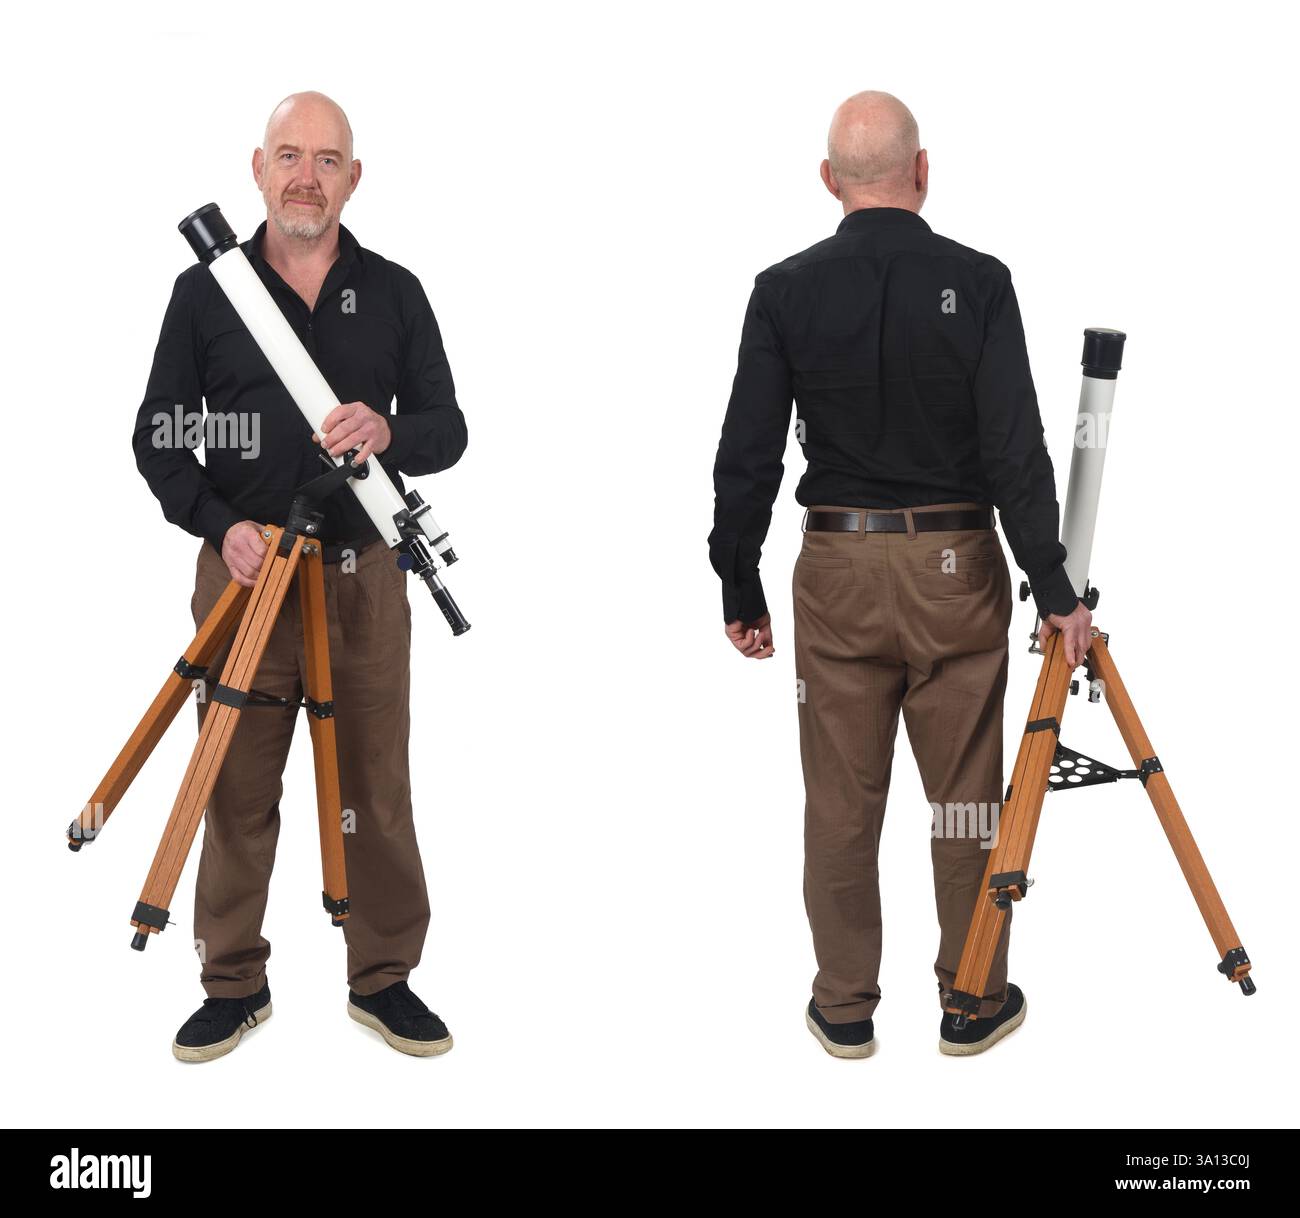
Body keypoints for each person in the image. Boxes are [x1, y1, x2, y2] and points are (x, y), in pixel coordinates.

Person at [708, 91, 1092, 1058]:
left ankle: (844, 1006)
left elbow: (747, 450)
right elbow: (1016, 450)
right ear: (923, 172)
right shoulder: (981, 281)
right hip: (955, 567)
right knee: (964, 795)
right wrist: (1056, 591)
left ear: (830, 181)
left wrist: (738, 580)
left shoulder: (783, 288)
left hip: (834, 568)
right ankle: (970, 999)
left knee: (839, 802)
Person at [133, 91, 467, 1061]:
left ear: (351, 178)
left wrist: (392, 429)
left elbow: (450, 427)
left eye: (326, 159)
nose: (306, 175)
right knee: (234, 783)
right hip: (244, 577)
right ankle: (232, 981)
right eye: (289, 155)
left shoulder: (397, 291)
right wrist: (218, 524)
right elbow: (159, 436)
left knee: (376, 783)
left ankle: (384, 978)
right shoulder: (207, 291)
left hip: (363, 578)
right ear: (259, 168)